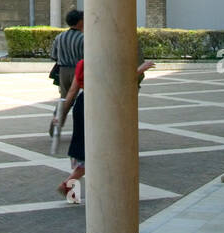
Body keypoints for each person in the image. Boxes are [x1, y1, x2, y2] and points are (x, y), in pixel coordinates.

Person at [54, 54, 156, 199]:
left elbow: (72, 91)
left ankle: (71, 193)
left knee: (84, 147)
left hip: (82, 104)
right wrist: (140, 69)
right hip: (98, 105)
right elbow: (119, 81)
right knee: (98, 149)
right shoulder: (103, 65)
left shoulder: (83, 63)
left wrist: (61, 114)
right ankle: (68, 186)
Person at [50, 8, 84, 98]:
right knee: (80, 98)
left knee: (64, 98)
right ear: (80, 22)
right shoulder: (83, 37)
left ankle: (60, 112)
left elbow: (54, 55)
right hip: (79, 70)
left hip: (63, 71)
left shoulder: (60, 37)